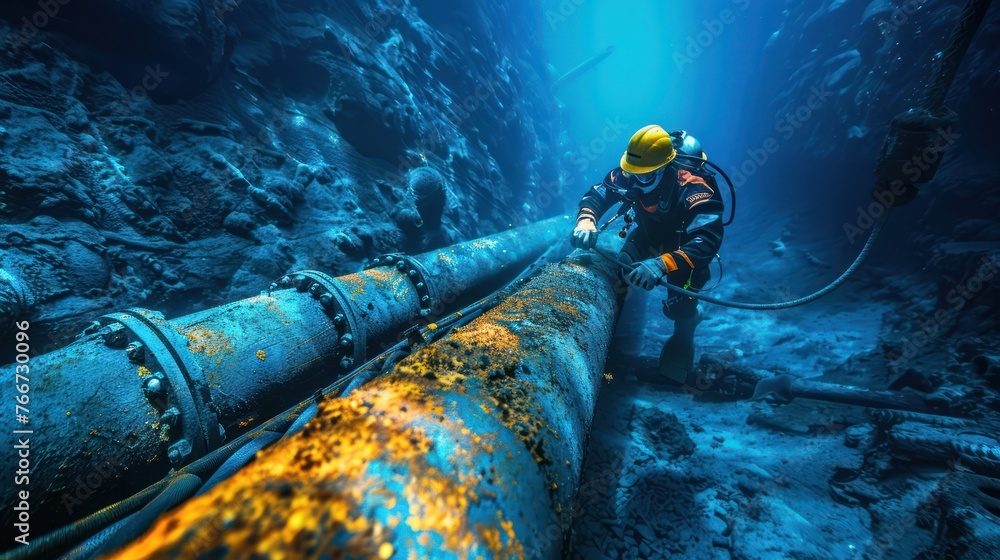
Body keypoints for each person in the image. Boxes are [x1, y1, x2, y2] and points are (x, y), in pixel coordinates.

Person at [570, 125, 725, 384]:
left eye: (642, 175)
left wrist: (661, 264)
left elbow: (707, 239)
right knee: (623, 266)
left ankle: (688, 324)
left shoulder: (693, 187)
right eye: (631, 172)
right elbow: (598, 194)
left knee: (679, 309)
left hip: (683, 251)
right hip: (648, 235)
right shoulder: (631, 173)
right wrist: (586, 220)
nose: (633, 180)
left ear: (664, 167)